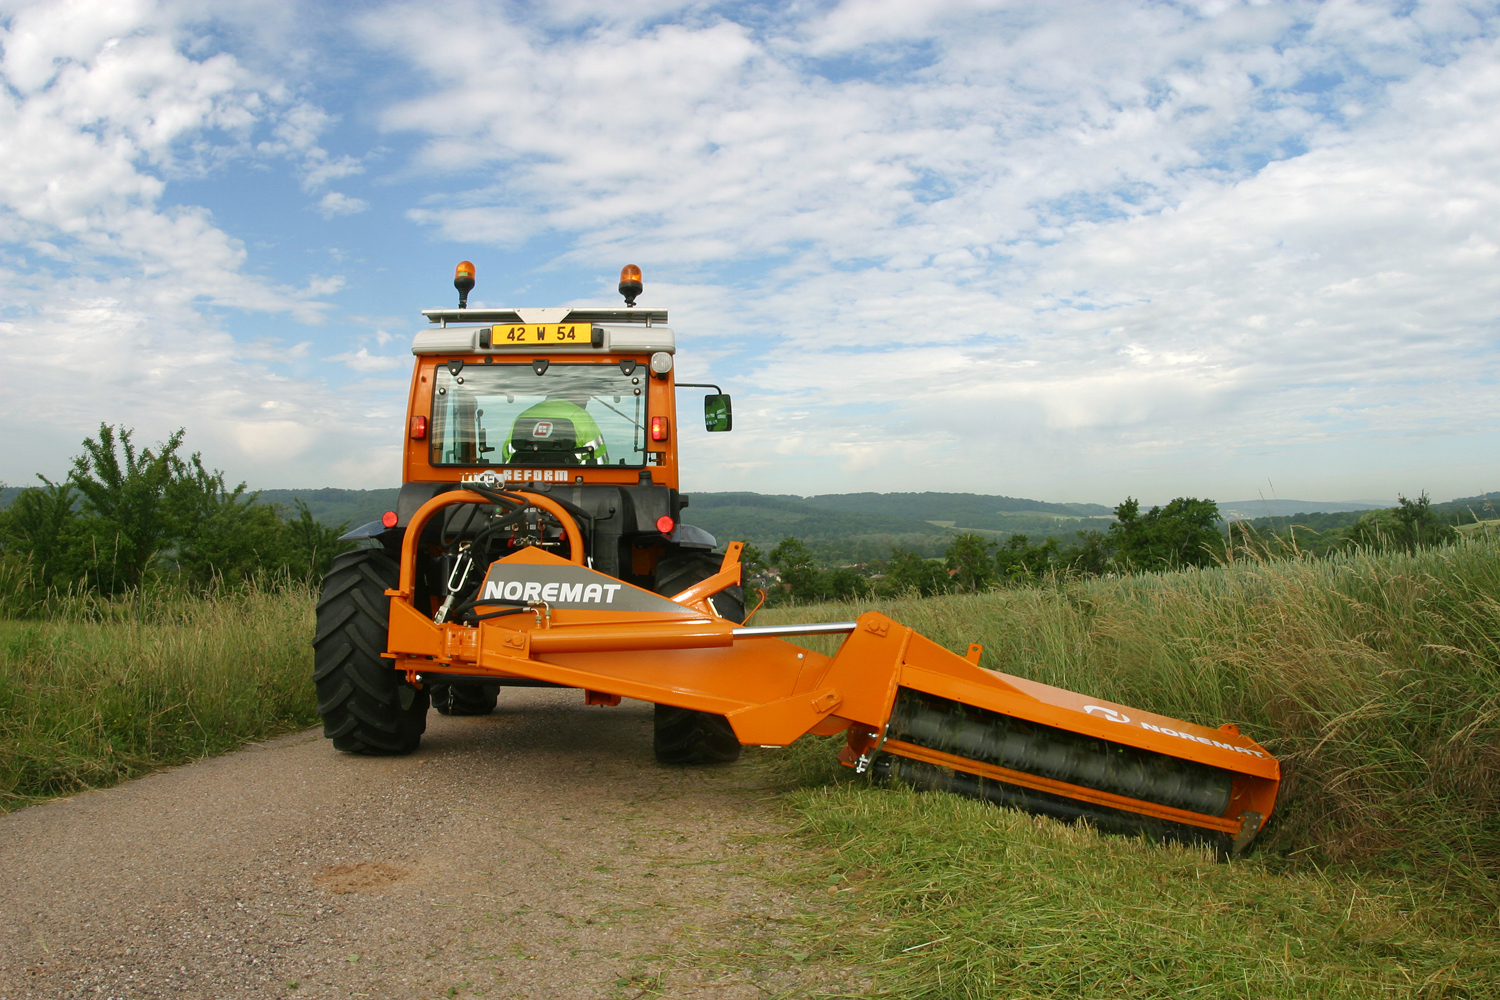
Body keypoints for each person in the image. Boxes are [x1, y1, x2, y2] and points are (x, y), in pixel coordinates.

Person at [504, 398, 608, 465]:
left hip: (523, 495)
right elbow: (601, 468)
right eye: (585, 392)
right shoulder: (583, 418)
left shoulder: (522, 418)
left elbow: (507, 463)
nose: (588, 398)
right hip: (571, 496)